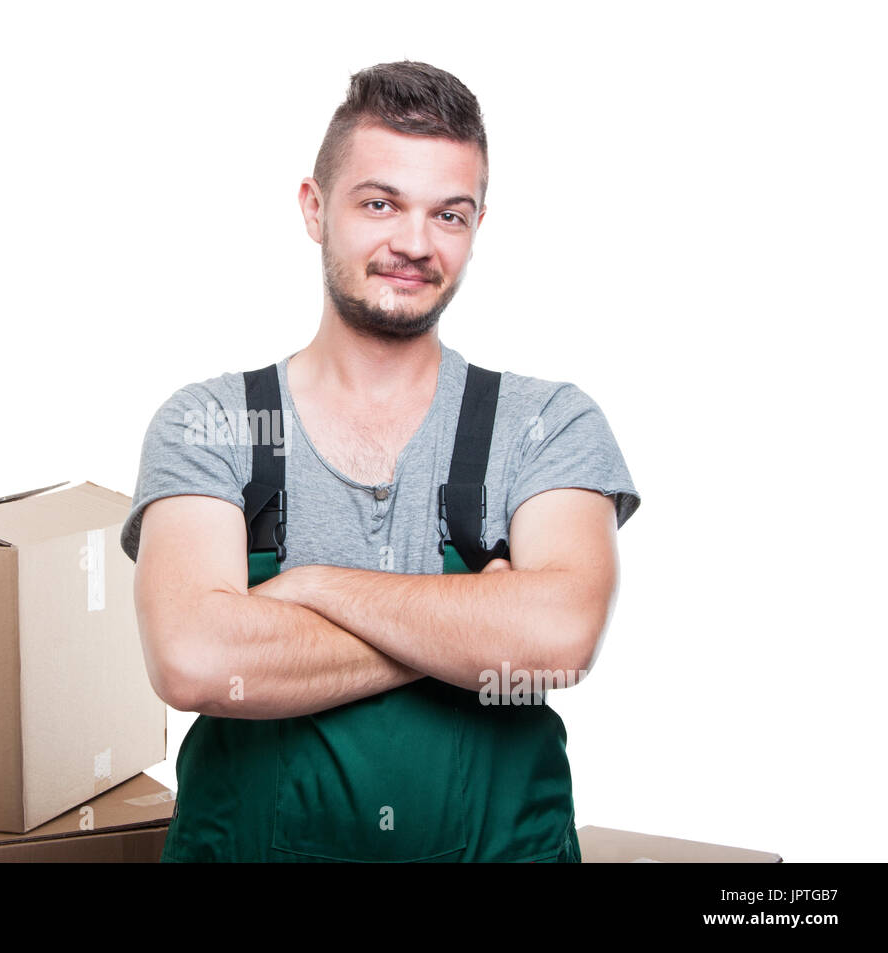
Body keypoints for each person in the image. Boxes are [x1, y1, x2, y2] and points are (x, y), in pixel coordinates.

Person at [120, 60, 640, 862]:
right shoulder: (211, 423)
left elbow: (561, 640)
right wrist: (468, 623)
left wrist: (311, 589)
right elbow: (193, 660)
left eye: (450, 215)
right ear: (315, 208)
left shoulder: (546, 423)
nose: (414, 243)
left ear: (476, 227)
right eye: (380, 203)